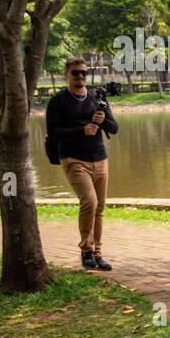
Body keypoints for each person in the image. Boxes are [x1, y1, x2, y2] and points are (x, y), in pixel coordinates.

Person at [45, 58, 119, 270]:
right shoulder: (58, 100)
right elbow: (53, 132)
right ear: (66, 74)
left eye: (84, 73)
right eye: (75, 73)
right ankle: (86, 250)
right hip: (74, 159)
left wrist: (102, 120)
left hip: (100, 158)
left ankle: (97, 254)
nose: (80, 77)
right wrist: (82, 130)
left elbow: (114, 128)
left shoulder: (97, 98)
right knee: (89, 202)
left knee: (100, 208)